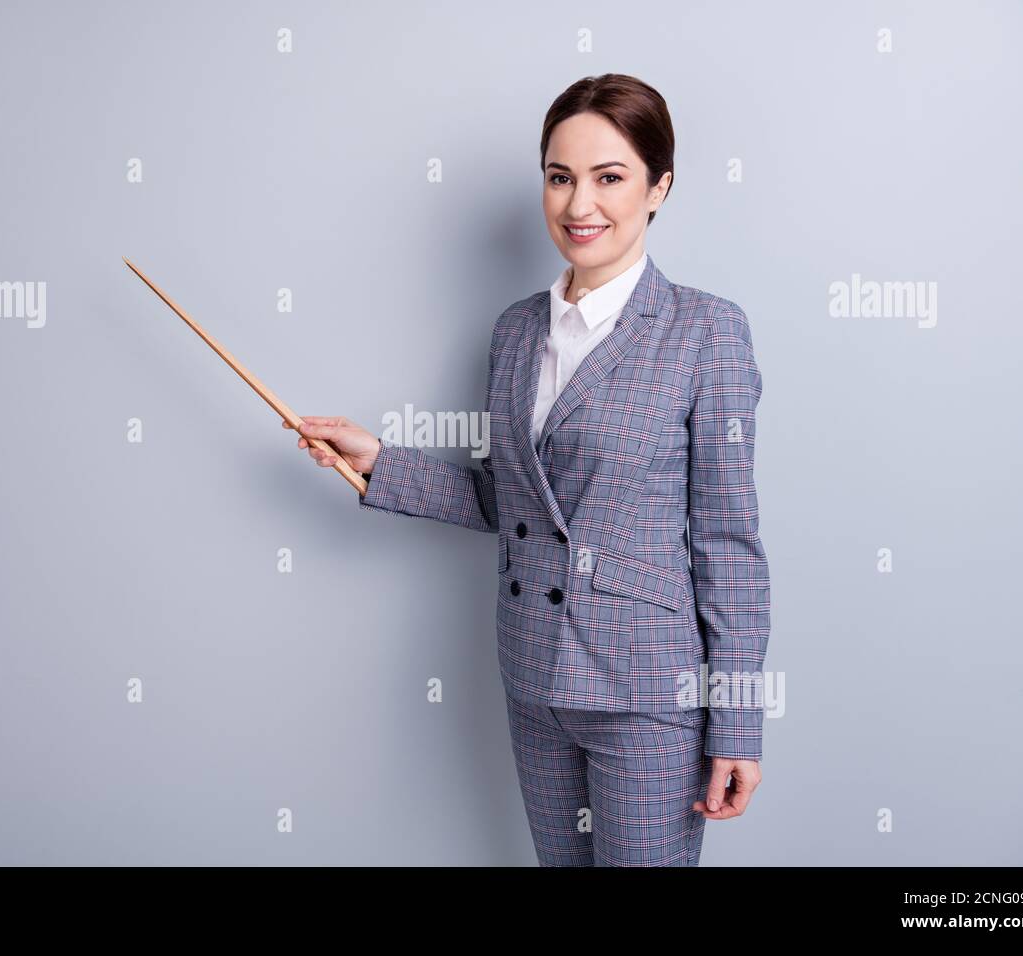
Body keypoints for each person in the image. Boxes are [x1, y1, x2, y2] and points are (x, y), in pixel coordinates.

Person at [283, 73, 770, 866]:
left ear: (659, 187)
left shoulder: (705, 332)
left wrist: (738, 722)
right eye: (560, 177)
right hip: (533, 676)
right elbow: (512, 500)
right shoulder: (515, 333)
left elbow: (729, 545)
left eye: (610, 177)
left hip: (646, 694)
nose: (580, 205)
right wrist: (378, 463)